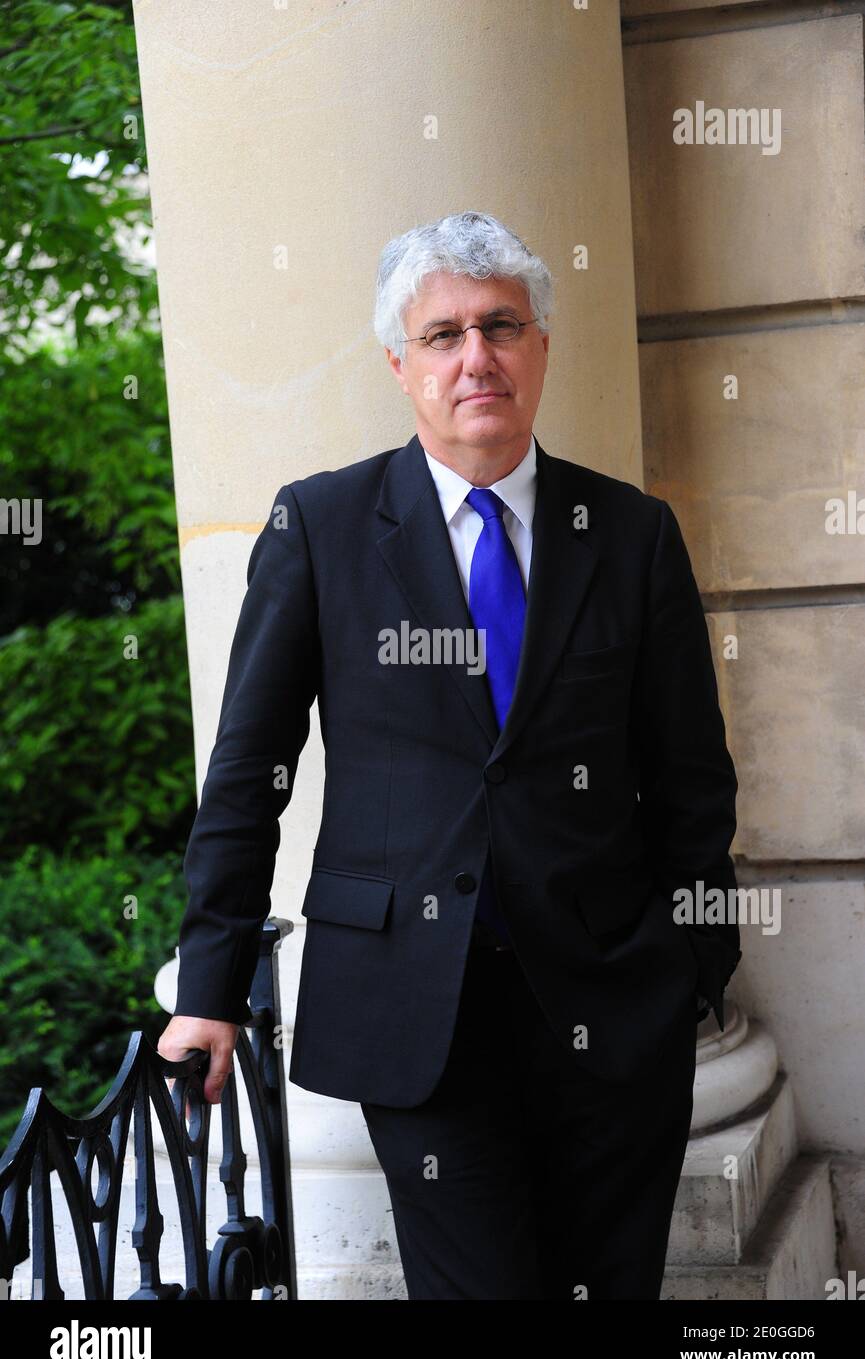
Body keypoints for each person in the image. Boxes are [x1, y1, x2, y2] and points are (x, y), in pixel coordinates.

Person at [159, 209, 742, 1300]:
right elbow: (249, 771)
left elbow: (692, 779)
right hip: (414, 1008)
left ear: (540, 348)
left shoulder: (630, 533)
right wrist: (210, 986)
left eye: (501, 326)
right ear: (400, 362)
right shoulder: (321, 528)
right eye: (443, 335)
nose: (477, 357)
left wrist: (697, 964)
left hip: (613, 1007)